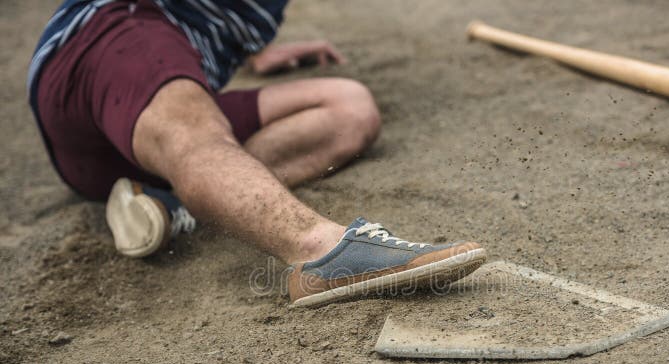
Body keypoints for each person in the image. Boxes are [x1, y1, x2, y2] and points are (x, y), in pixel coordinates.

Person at [28, 0, 486, 307]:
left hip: (136, 135)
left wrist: (255, 48)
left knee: (348, 109)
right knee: (196, 140)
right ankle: (319, 252)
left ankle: (167, 204)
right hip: (110, 41)